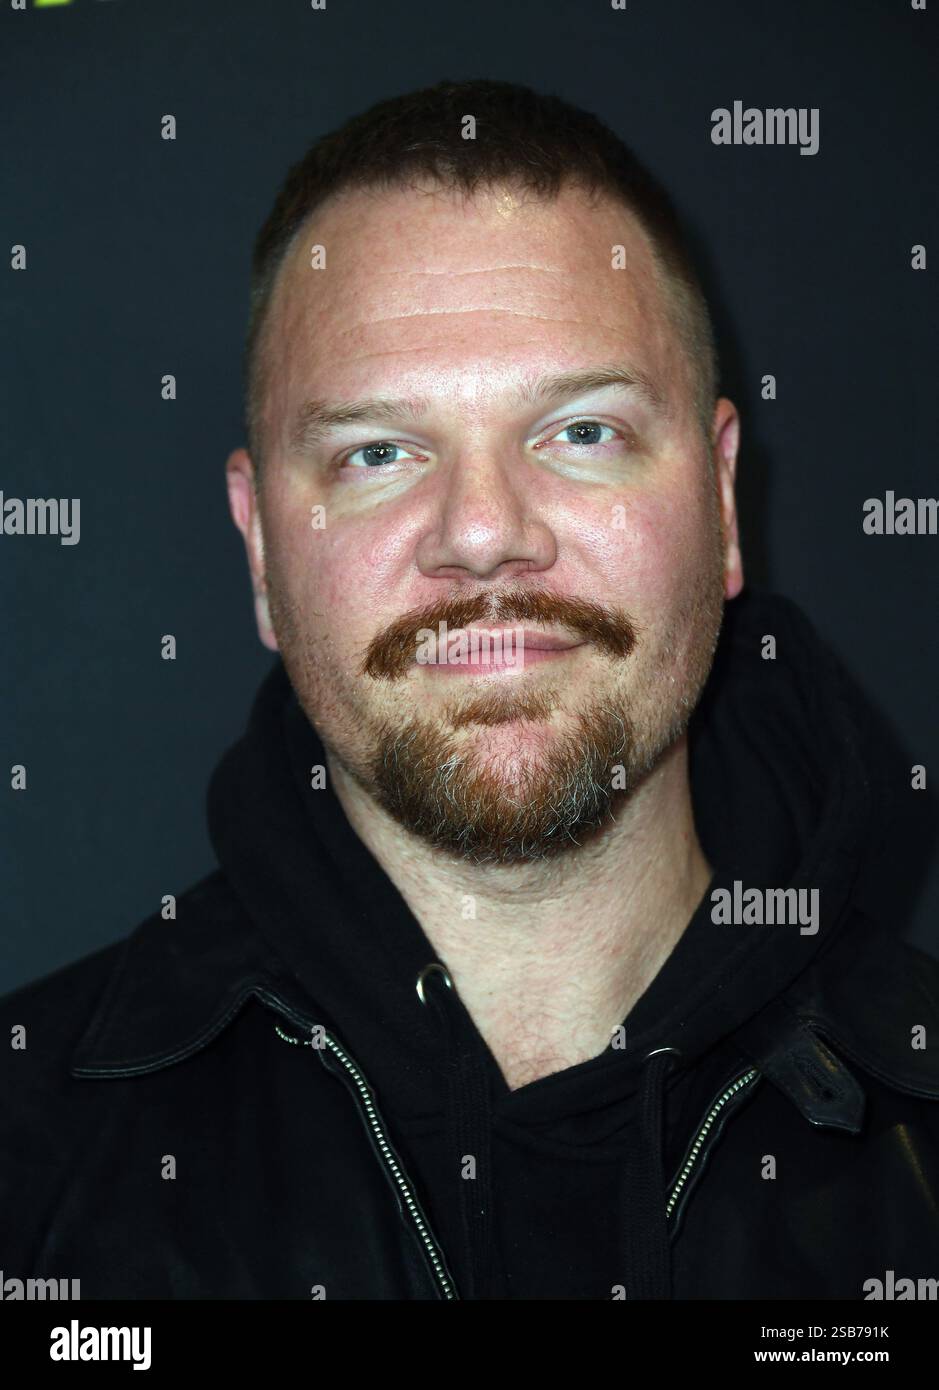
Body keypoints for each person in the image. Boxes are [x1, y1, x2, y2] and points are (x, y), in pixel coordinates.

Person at [2, 79, 938, 1301]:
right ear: (261, 551)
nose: (486, 533)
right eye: (379, 452)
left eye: (582, 431)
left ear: (719, 504)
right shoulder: (31, 1177)